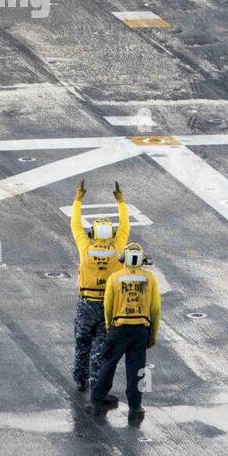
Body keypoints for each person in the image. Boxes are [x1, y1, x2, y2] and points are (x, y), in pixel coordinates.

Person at [88, 242, 161, 426]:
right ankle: (135, 408)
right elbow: (155, 310)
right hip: (140, 330)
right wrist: (152, 335)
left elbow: (108, 307)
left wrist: (109, 327)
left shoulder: (114, 278)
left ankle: (97, 402)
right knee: (136, 370)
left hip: (118, 328)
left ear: (123, 259)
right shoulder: (150, 279)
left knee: (108, 364)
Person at [71, 178, 130, 398]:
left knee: (82, 341)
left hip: (85, 302)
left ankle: (80, 378)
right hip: (107, 303)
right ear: (110, 233)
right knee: (101, 347)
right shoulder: (116, 248)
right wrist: (121, 202)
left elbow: (75, 225)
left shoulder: (85, 247)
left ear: (93, 234)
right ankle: (97, 384)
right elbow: (125, 227)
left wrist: (78, 199)